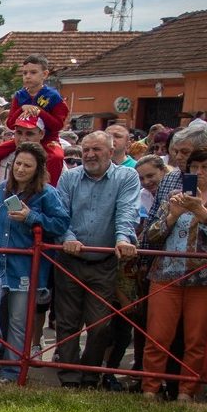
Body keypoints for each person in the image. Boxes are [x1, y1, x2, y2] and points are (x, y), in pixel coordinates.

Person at [140, 145, 207, 402]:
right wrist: (172, 217)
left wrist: (201, 211)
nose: (198, 172)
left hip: (205, 279)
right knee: (157, 336)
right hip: (165, 275)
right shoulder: (174, 197)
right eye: (194, 167)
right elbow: (151, 236)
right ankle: (149, 390)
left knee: (196, 339)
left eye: (205, 167)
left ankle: (187, 392)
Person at [52, 131, 141, 388]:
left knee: (100, 325)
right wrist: (67, 237)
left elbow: (127, 209)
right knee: (67, 323)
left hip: (104, 262)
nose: (90, 155)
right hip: (70, 260)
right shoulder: (69, 178)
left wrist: (123, 238)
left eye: (97, 150)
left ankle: (90, 375)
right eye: (86, 150)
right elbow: (60, 213)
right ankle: (69, 377)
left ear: (111, 153)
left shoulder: (127, 177)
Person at [0, 143, 69, 383]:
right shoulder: (2, 190)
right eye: (17, 163)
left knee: (19, 320)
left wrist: (31, 217)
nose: (20, 169)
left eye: (27, 165)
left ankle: (12, 370)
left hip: (25, 266)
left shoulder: (48, 193)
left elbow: (60, 224)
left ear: (38, 169)